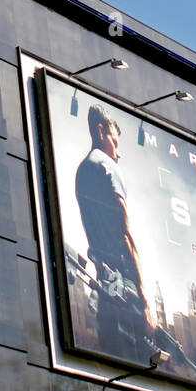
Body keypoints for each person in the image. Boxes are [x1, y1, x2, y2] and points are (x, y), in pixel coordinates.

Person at [75, 105, 151, 329]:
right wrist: (144, 296)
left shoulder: (83, 170)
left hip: (104, 293)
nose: (119, 153)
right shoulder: (107, 166)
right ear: (101, 132)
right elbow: (124, 232)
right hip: (126, 292)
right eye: (115, 142)